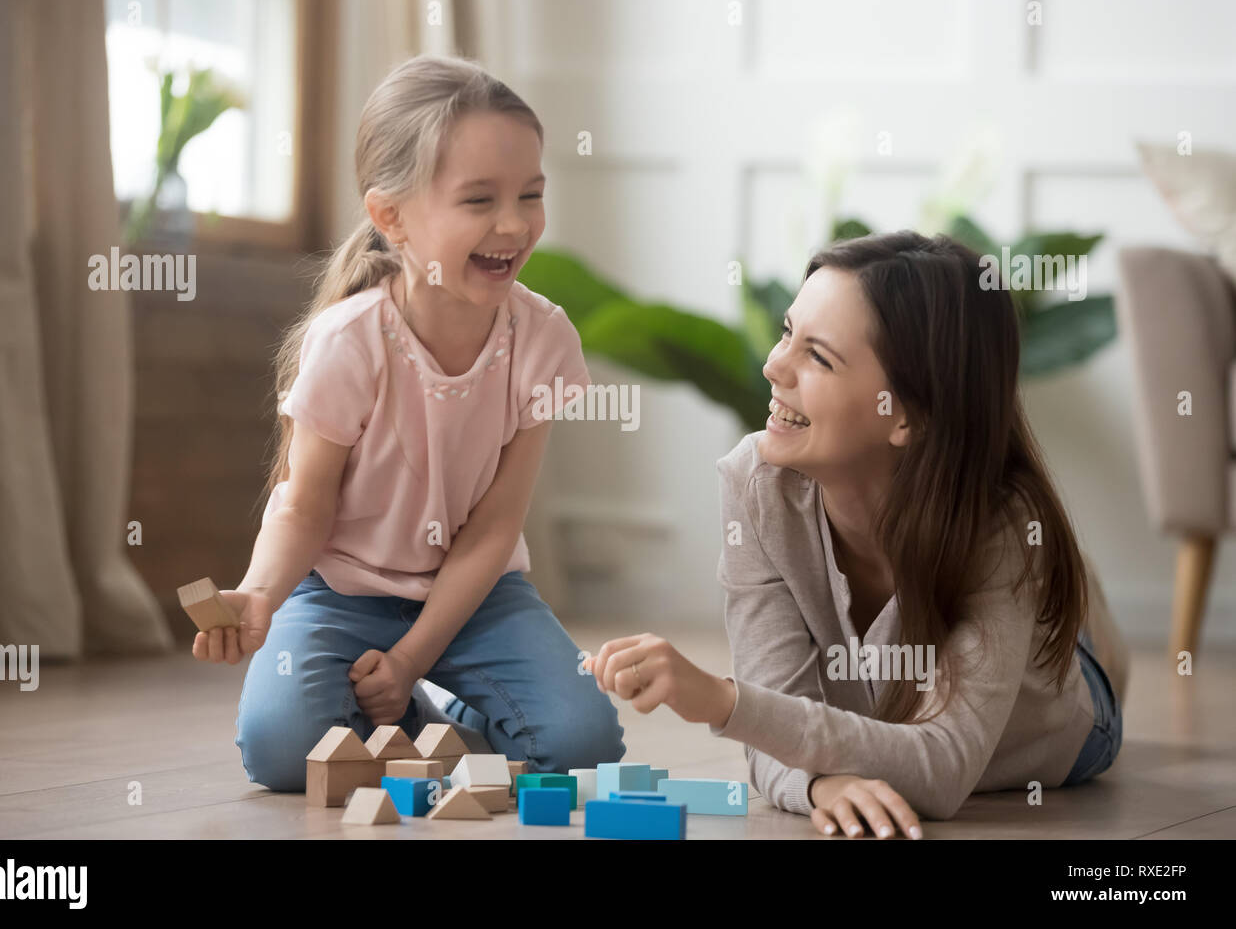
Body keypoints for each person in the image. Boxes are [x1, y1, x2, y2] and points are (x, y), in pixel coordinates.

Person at [588, 231, 1127, 837]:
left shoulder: (998, 526)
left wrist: (721, 699)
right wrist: (819, 784)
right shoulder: (755, 485)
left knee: (1068, 651)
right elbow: (774, 724)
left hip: (1052, 725)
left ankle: (1079, 619)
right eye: (787, 331)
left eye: (818, 357)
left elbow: (943, 767)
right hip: (878, 724)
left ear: (906, 414)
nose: (772, 364)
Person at [192, 54, 625, 791]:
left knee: (584, 742)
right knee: (280, 750)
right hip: (336, 591)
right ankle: (416, 718)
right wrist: (260, 594)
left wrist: (411, 658)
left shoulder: (544, 340)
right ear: (391, 216)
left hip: (477, 590)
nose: (514, 225)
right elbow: (303, 503)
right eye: (479, 200)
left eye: (530, 194)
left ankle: (433, 703)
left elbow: (494, 527)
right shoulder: (349, 341)